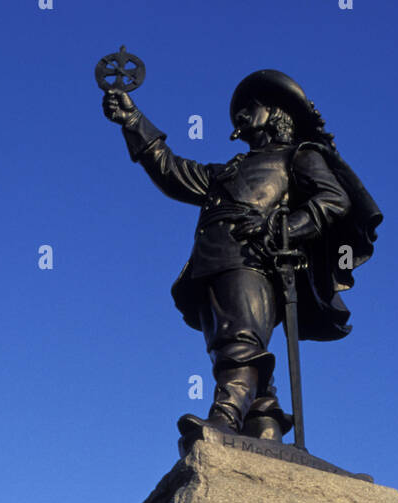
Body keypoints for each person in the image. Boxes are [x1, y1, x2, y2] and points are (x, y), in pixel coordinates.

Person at [103, 68, 381, 442]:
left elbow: (334, 199)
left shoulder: (297, 156)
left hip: (254, 260)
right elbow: (171, 171)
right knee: (233, 341)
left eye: (252, 106)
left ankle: (225, 418)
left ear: (275, 114)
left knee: (239, 341)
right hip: (213, 259)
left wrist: (282, 227)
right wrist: (132, 120)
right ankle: (263, 424)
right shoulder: (227, 171)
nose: (242, 114)